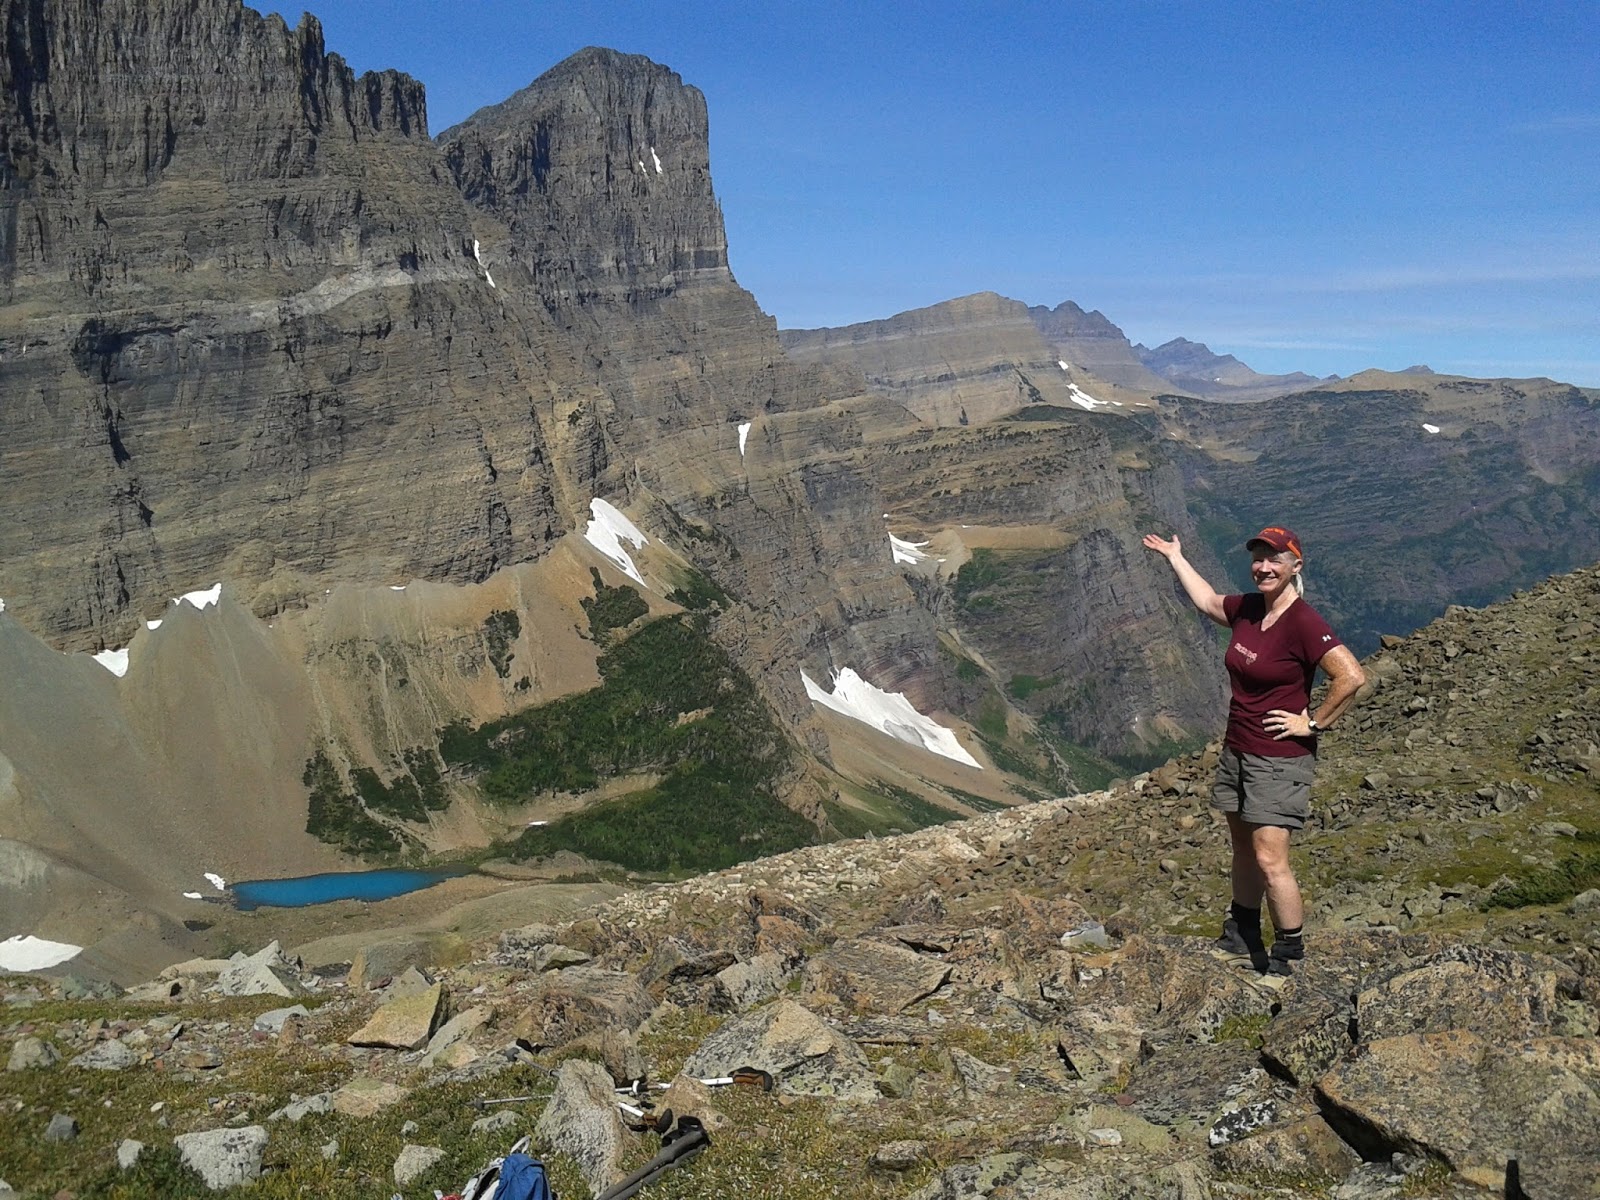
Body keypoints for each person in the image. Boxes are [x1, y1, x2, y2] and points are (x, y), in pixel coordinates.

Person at [1142, 525, 1365, 975]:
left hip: (1278, 759)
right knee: (1243, 848)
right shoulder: (1247, 609)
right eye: (1259, 558)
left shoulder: (1303, 622)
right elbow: (1207, 602)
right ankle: (1243, 932)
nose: (1264, 566)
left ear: (1294, 567)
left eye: (1275, 559)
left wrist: (1312, 723)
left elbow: (1352, 677)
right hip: (1238, 750)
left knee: (1269, 856)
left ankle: (1289, 951)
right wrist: (1175, 558)